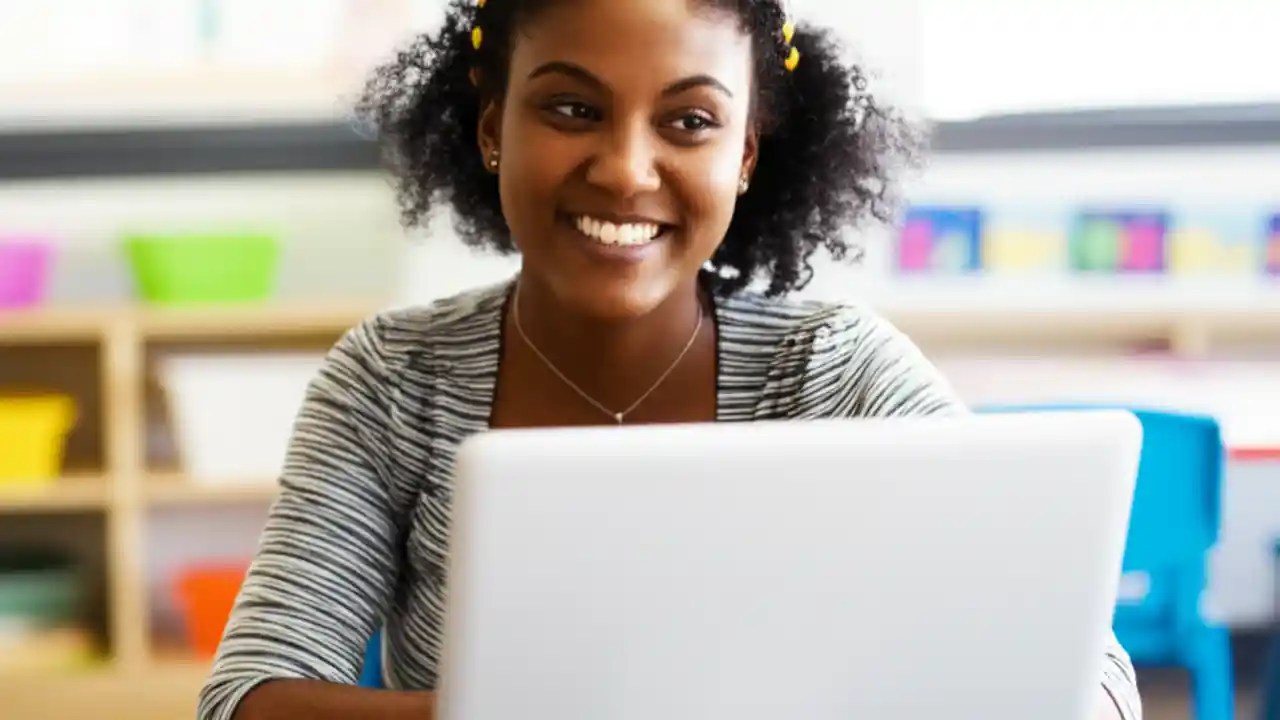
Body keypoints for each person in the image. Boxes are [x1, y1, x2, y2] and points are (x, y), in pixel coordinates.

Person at [198, 1, 1141, 718]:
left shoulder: (833, 369)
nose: (625, 169)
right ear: (491, 127)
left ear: (745, 153)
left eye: (688, 122)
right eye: (572, 108)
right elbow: (247, 694)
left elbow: (1095, 682)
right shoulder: (396, 380)